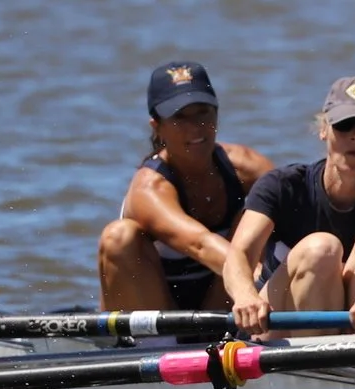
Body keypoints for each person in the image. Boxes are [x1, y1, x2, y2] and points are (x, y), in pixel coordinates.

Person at [219, 77, 355, 335]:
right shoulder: (282, 186)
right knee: (322, 248)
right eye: (344, 125)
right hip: (274, 329)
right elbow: (239, 254)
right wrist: (245, 296)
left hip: (354, 332)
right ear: (324, 129)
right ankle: (316, 364)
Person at [97, 61, 274, 312]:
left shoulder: (249, 167)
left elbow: (300, 215)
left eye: (202, 112)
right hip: (156, 314)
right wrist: (257, 279)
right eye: (179, 116)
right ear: (157, 127)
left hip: (222, 305)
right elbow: (200, 245)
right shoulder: (150, 189)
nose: (195, 127)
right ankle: (155, 345)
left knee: (257, 213)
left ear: (216, 113)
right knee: (119, 236)